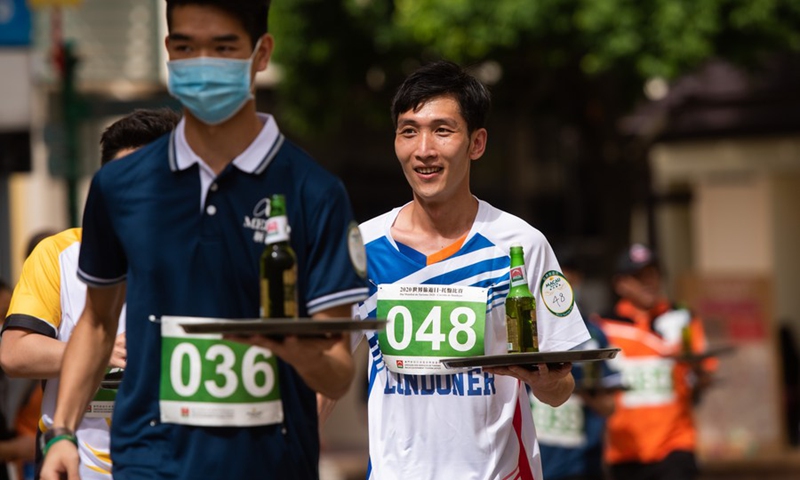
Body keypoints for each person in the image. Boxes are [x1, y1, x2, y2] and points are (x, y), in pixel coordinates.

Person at [40, 1, 369, 479]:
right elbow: (96, 323)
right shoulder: (120, 186)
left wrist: (292, 344)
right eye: (186, 47)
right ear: (168, 51)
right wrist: (62, 433)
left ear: (261, 53)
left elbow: (337, 371)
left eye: (223, 47)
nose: (203, 64)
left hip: (270, 466)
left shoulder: (313, 193)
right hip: (149, 462)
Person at [350, 60, 590, 480]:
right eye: (409, 131)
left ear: (476, 143)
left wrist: (543, 379)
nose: (424, 149)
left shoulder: (522, 245)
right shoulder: (361, 248)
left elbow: (559, 391)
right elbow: (326, 372)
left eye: (442, 130)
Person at [0, 108, 181, 479]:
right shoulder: (59, 254)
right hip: (79, 468)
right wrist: (98, 351)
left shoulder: (210, 256)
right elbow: (14, 353)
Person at [596, 243, 715, 480]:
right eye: (639, 276)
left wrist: (694, 367)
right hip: (625, 450)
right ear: (620, 284)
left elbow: (705, 375)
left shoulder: (682, 318)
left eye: (653, 274)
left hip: (676, 444)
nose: (649, 282)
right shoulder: (603, 326)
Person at [530, 253, 623, 480]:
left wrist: (584, 391)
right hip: (536, 459)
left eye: (566, 280)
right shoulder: (523, 331)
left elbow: (609, 406)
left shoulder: (594, 334)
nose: (557, 291)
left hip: (582, 462)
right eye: (550, 282)